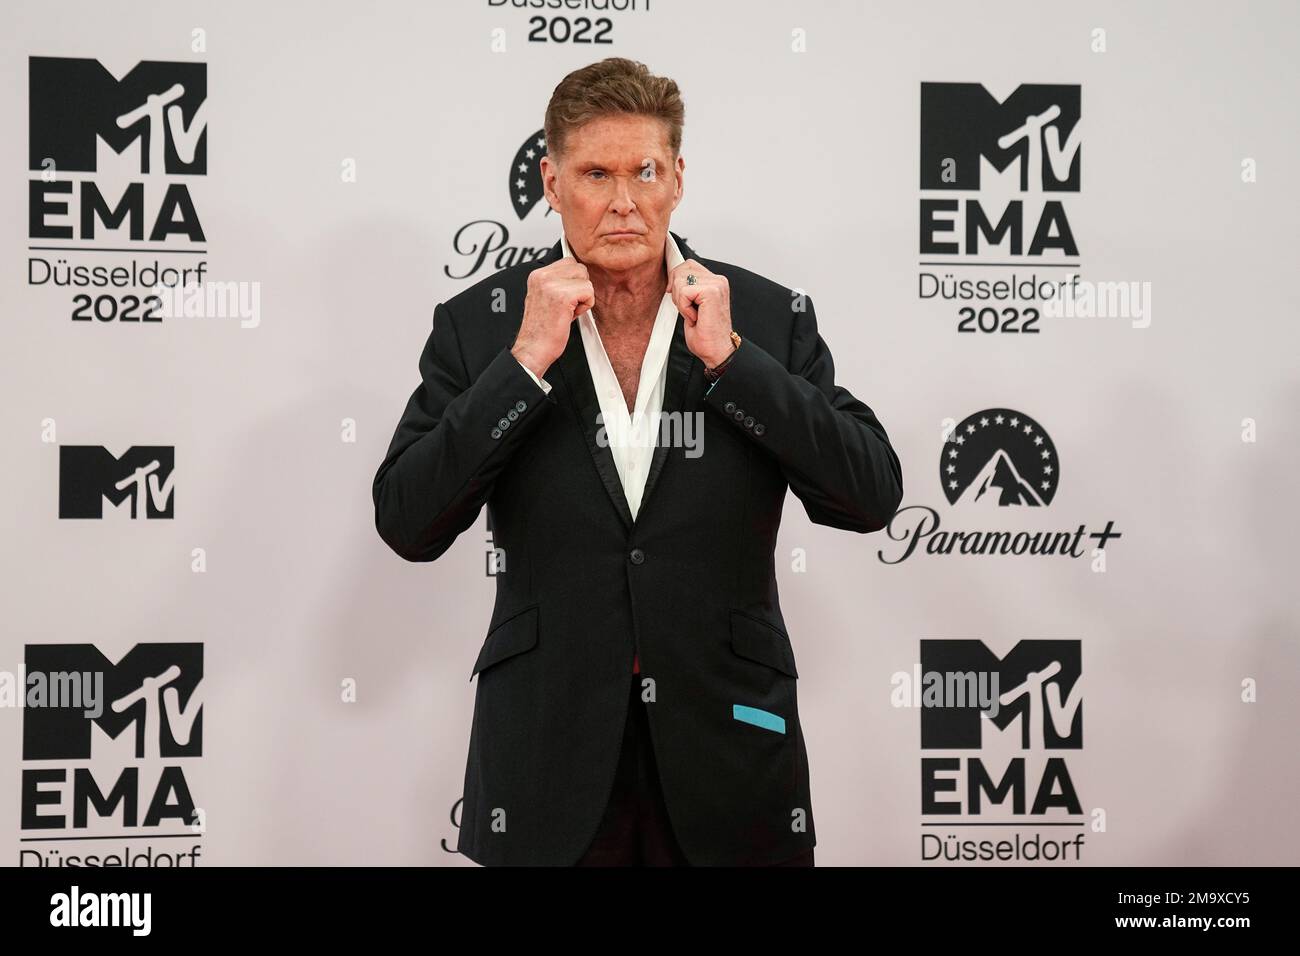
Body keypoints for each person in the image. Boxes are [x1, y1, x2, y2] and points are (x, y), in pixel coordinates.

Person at [372, 57, 903, 866]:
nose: (623, 201)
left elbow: (870, 493)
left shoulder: (763, 316)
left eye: (645, 171)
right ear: (551, 182)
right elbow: (408, 521)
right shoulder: (480, 327)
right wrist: (521, 367)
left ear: (678, 179)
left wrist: (732, 362)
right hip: (545, 762)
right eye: (595, 174)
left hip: (730, 753)